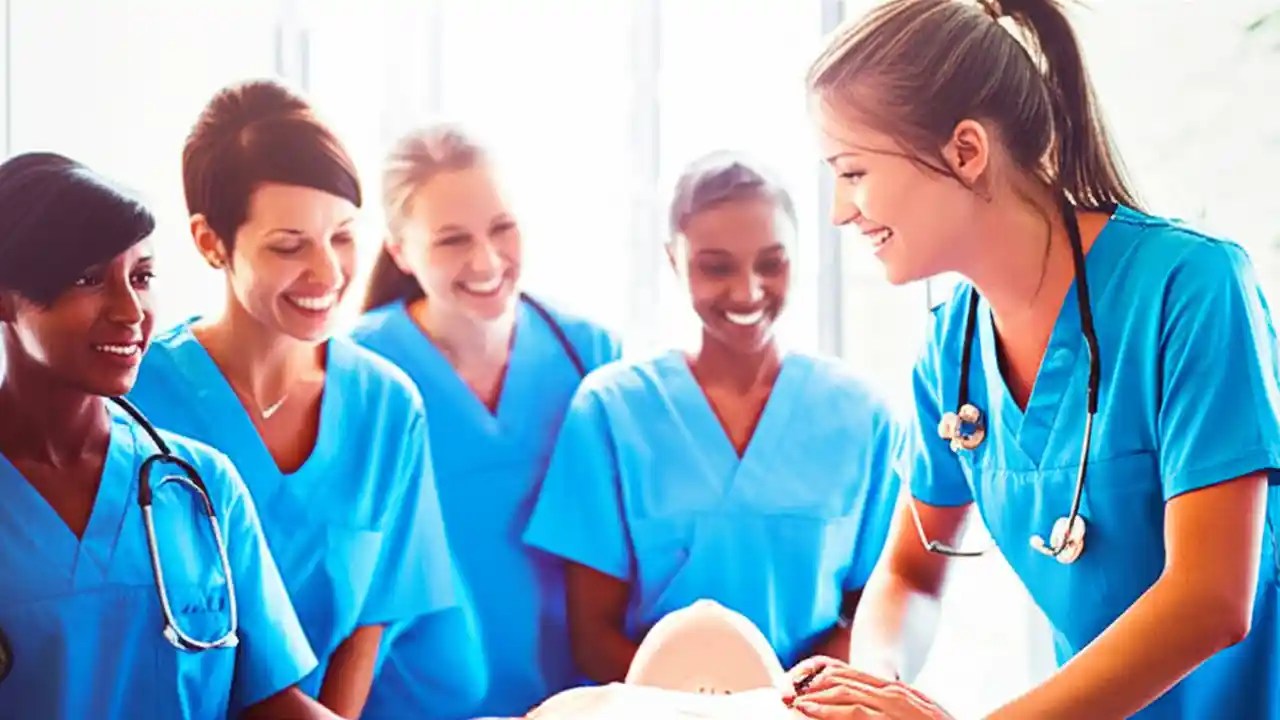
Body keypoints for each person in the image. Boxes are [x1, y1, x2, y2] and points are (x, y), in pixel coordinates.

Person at [787, 0, 1280, 718]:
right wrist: (877, 686)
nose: (839, 210)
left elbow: (1210, 599)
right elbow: (910, 573)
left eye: (854, 171)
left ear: (964, 151)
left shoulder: (1191, 289)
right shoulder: (951, 347)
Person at [126, 80, 483, 718]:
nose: (327, 273)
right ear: (210, 242)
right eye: (289, 246)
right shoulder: (136, 400)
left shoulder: (386, 409)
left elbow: (369, 622)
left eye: (343, 236)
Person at [523, 152, 901, 684]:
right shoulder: (611, 411)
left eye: (771, 263)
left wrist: (784, 708)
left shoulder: (862, 417)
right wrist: (696, 708)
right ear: (673, 259)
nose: (747, 291)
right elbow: (592, 635)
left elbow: (878, 611)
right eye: (716, 267)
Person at [0, 151, 340, 719]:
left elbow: (271, 706)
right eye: (88, 279)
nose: (130, 311)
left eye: (141, 277)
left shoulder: (202, 486)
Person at [352, 123, 623, 716]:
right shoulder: (356, 372)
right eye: (451, 240)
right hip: (411, 706)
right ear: (399, 249)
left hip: (570, 703)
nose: (486, 260)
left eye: (502, 228)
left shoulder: (591, 357)